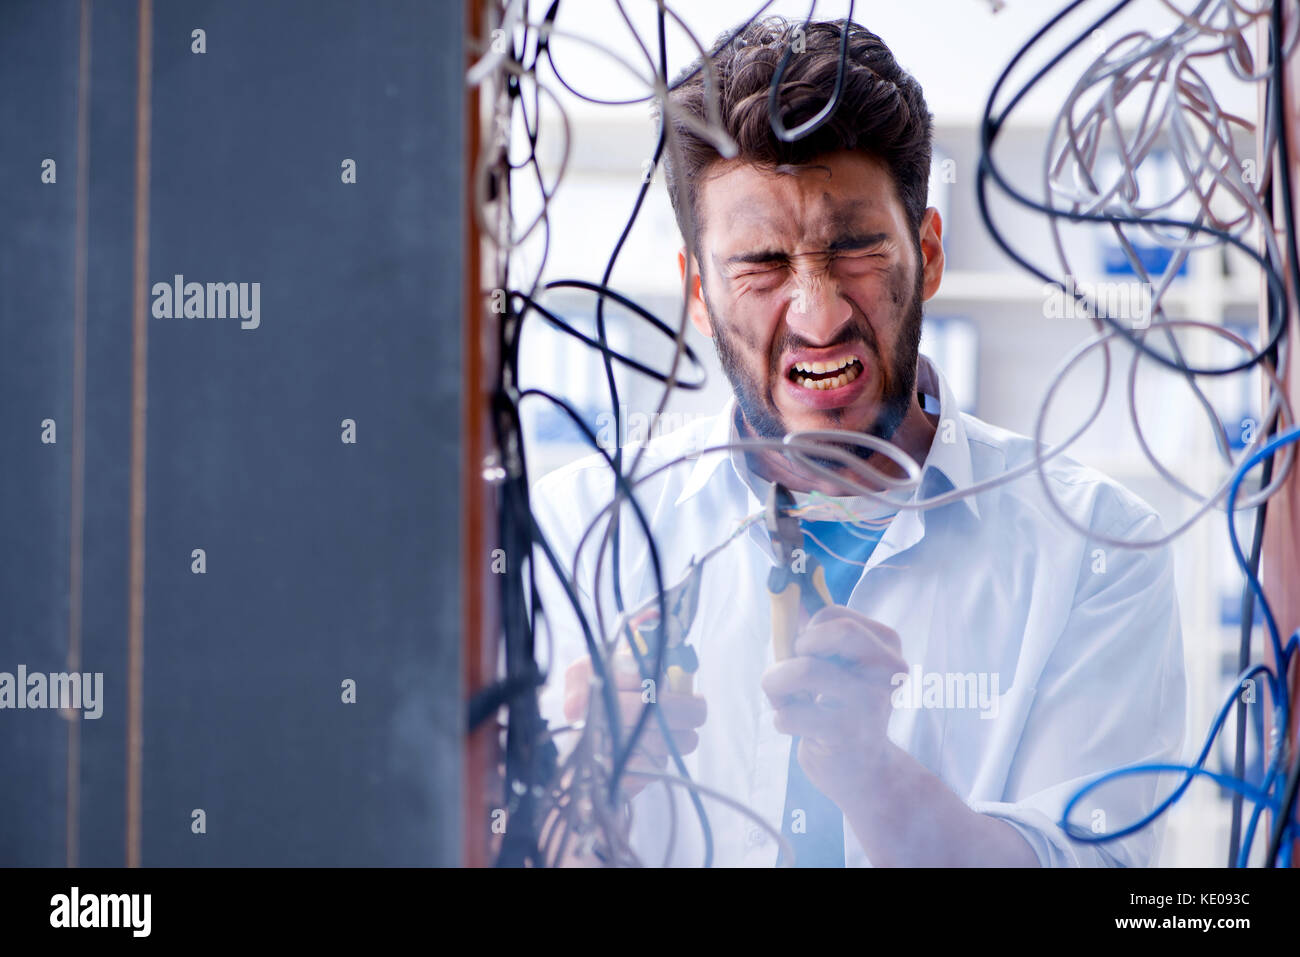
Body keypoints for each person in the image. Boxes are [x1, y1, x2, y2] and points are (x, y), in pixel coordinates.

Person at [529, 17, 1186, 867]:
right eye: (762, 261)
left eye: (858, 248)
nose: (820, 313)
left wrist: (874, 779)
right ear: (697, 291)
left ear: (930, 252)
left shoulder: (1099, 547)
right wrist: (583, 796)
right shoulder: (580, 529)